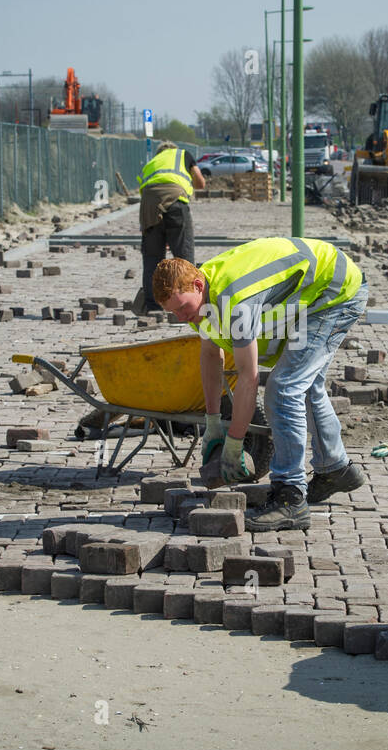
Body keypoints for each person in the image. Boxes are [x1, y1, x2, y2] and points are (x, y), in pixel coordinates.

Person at [153, 238, 368, 531]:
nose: (180, 318)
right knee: (306, 383)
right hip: (312, 289)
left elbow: (248, 376)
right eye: (172, 313)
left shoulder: (234, 301)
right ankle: (335, 468)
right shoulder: (199, 298)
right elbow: (210, 354)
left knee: (284, 389)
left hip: (334, 291)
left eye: (181, 308)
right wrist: (213, 421)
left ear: (198, 286)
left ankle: (290, 498)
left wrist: (234, 442)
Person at [134, 143, 205, 314]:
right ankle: (191, 302)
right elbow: (200, 182)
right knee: (184, 254)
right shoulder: (182, 154)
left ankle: (153, 306)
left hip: (149, 206)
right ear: (173, 149)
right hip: (175, 199)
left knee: (152, 257)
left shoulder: (152, 163)